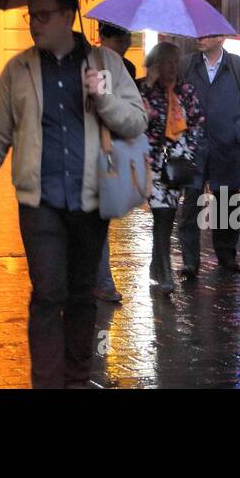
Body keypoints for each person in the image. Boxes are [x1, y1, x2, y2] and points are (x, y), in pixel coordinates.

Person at [0, 0, 147, 389]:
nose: (34, 25)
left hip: (91, 200)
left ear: (68, 15)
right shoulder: (18, 71)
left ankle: (77, 379)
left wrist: (105, 99)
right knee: (46, 294)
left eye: (43, 16)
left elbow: (136, 122)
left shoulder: (106, 66)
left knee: (81, 294)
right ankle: (45, 383)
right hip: (38, 201)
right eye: (31, 16)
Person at [179, 33, 240, 278]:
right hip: (194, 147)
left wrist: (238, 131)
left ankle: (227, 256)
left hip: (226, 147)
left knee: (227, 202)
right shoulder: (187, 64)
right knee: (191, 203)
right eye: (199, 33)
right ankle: (190, 261)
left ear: (221, 38)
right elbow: (175, 98)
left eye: (208, 34)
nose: (200, 38)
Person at [140, 41, 204, 297]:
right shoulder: (143, 89)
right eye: (166, 62)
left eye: (175, 63)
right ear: (155, 64)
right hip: (152, 163)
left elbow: (198, 121)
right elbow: (133, 123)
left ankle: (157, 267)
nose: (171, 68)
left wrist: (188, 149)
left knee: (168, 213)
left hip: (177, 165)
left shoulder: (185, 90)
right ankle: (165, 274)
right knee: (162, 215)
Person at [93, 22, 137, 303]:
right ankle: (100, 281)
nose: (125, 44)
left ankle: (99, 280)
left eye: (127, 39)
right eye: (121, 39)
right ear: (104, 38)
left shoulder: (128, 69)